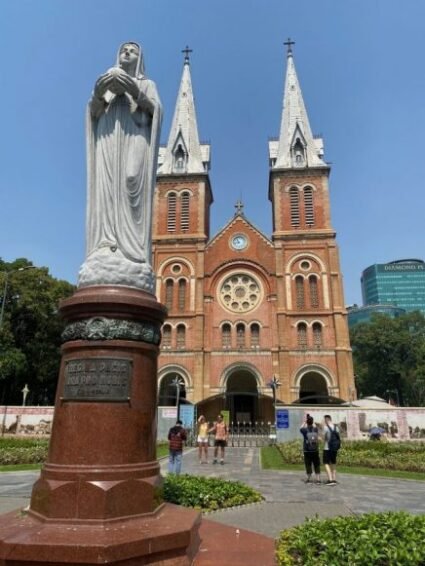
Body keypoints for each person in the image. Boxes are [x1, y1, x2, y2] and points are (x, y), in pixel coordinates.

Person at [79, 42, 163, 291]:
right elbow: (93, 112)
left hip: (134, 136)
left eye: (133, 50)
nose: (127, 53)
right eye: (124, 49)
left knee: (130, 180)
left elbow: (156, 110)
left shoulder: (147, 84)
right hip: (108, 140)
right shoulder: (107, 80)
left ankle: (132, 249)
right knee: (106, 191)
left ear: (139, 58)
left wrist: (135, 91)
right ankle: (106, 244)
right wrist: (97, 93)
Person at [300, 414, 321, 484]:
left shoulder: (304, 430)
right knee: (316, 464)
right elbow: (314, 425)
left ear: (307, 422)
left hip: (307, 450)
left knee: (308, 464)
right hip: (315, 450)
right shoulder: (315, 429)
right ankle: (318, 480)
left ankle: (309, 479)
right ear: (312, 422)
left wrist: (305, 421)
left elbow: (300, 428)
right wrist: (311, 420)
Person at [323, 414, 341, 485]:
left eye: (324, 420)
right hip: (335, 447)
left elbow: (324, 438)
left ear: (327, 419)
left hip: (327, 447)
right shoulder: (336, 427)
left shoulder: (325, 427)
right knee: (333, 463)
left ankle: (330, 480)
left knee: (326, 463)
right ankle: (334, 479)